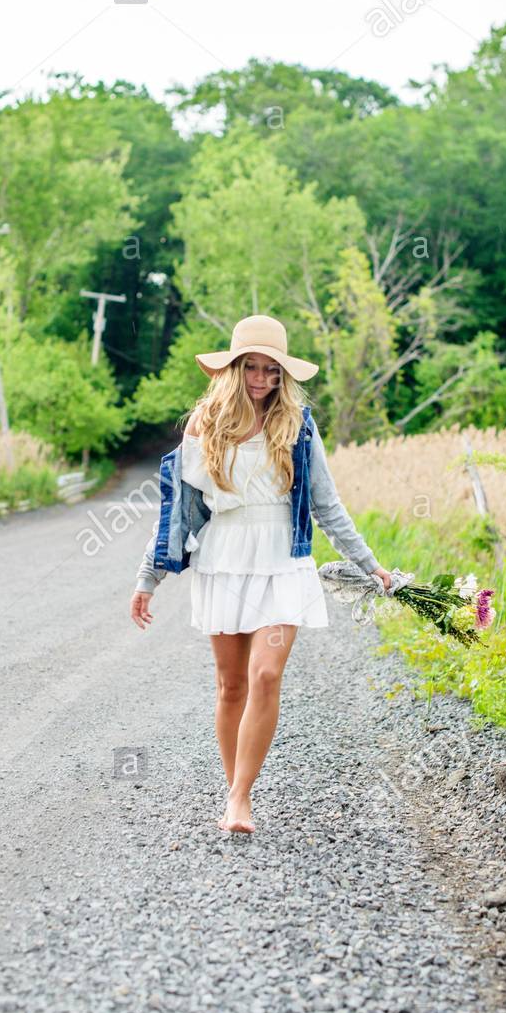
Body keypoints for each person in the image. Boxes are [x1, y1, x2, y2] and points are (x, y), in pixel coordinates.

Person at [130, 315, 391, 834]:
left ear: (283, 374)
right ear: (232, 368)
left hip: (282, 561)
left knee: (266, 675)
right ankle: (233, 791)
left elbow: (327, 506)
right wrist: (147, 578)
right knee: (230, 686)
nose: (262, 379)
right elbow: (177, 511)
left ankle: (241, 798)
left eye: (272, 370)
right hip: (224, 558)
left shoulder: (299, 424)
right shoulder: (204, 424)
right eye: (252, 367)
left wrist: (372, 565)